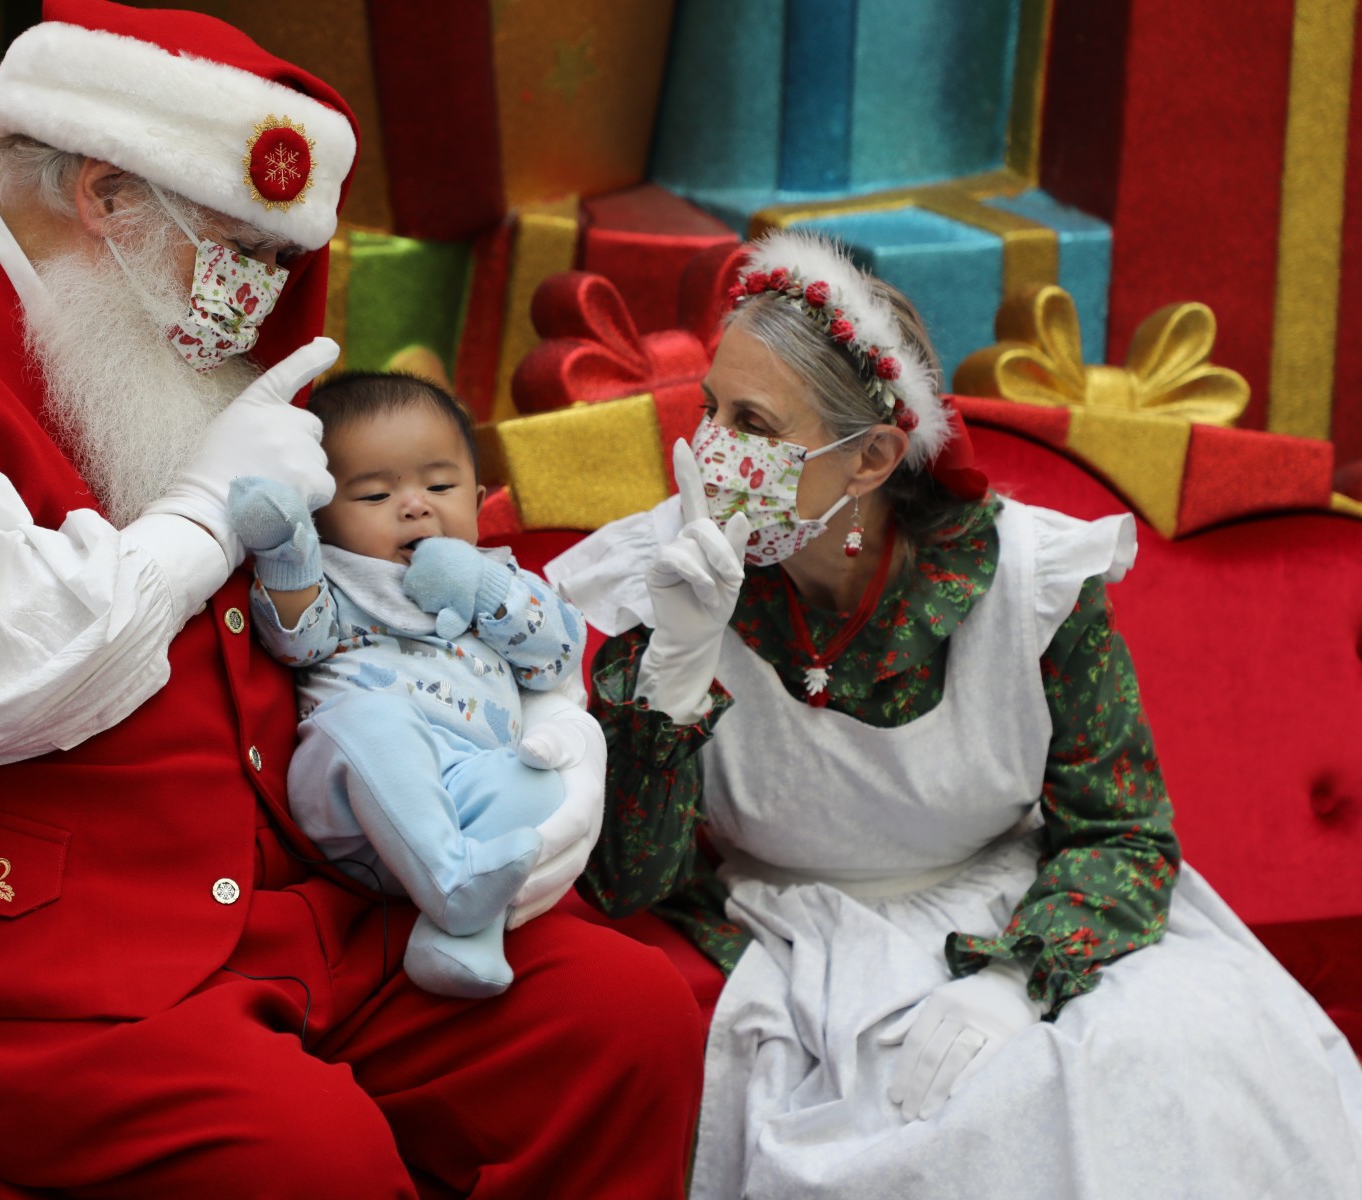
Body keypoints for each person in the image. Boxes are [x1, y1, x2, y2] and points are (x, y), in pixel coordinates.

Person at [0, 3, 704, 1196]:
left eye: (279, 263)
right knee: (310, 1164)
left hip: (282, 899)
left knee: (624, 1018)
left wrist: (546, 725)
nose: (257, 299)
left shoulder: (148, 330)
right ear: (106, 194)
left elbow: (349, 610)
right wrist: (204, 514)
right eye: (239, 250)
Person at [549, 229, 1362, 1198]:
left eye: (754, 423)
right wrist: (676, 667)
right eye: (710, 409)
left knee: (1150, 1071)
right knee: (916, 1133)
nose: (713, 449)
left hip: (1014, 911)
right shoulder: (674, 574)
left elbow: (1125, 833)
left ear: (871, 458)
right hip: (799, 936)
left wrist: (1019, 977)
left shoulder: (1031, 582)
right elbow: (628, 885)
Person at [230, 373, 591, 999]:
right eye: (375, 495)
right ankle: (454, 890)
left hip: (468, 799)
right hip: (360, 799)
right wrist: (291, 558)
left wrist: (481, 586)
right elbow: (296, 643)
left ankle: (456, 939)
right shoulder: (341, 577)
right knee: (376, 718)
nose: (415, 505)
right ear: (323, 517)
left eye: (441, 486)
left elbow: (556, 658)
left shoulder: (504, 581)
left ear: (479, 499)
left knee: (539, 781)